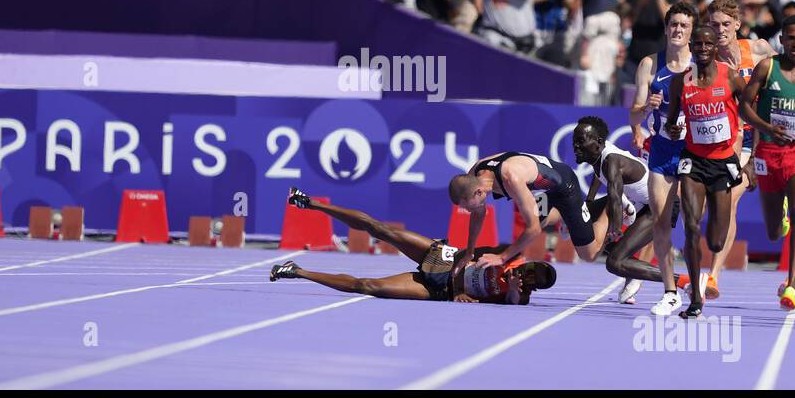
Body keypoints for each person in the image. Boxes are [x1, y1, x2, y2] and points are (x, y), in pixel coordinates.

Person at [271, 189, 555, 302]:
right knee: (379, 229)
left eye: (533, 281)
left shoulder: (520, 296)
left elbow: (513, 302)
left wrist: (515, 294)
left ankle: (296, 271)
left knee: (368, 286)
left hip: (436, 288)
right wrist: (461, 289)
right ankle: (311, 203)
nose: (527, 277)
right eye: (532, 270)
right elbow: (467, 256)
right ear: (530, 263)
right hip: (445, 260)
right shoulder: (508, 253)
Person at [657, 25, 750, 318]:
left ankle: (710, 250)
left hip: (722, 163)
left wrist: (754, 158)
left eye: (707, 43)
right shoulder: (680, 82)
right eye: (697, 44)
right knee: (692, 227)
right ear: (692, 48)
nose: (702, 48)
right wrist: (673, 129)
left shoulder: (730, 77)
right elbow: (672, 124)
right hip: (693, 161)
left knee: (716, 240)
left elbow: (750, 114)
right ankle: (695, 298)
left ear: (714, 47)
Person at [740, 16, 795, 311]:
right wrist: (767, 127)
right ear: (782, 40)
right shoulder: (767, 67)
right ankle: (780, 217)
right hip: (769, 154)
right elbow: (744, 107)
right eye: (790, 38)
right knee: (774, 232)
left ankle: (792, 285)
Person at [571, 116, 685, 305]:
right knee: (591, 220)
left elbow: (615, 197)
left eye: (581, 141)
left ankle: (682, 281)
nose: (576, 146)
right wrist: (589, 202)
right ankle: (632, 270)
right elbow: (599, 178)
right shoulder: (600, 159)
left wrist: (615, 230)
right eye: (574, 141)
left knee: (615, 262)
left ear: (598, 143)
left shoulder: (611, 160)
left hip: (662, 207)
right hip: (644, 205)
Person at [703, 0, 773, 297]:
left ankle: (713, 275)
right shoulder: (706, 62)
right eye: (714, 25)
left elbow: (784, 78)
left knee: (729, 200)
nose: (720, 31)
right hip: (728, 139)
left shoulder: (757, 49)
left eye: (725, 24)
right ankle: (713, 273)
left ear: (737, 25)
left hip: (760, 136)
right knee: (717, 206)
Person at [631, 3, 699, 314]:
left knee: (693, 222)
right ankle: (671, 291)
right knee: (661, 222)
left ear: (691, 31)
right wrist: (647, 108)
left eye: (684, 25)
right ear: (666, 28)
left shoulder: (700, 65)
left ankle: (696, 286)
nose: (678, 30)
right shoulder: (649, 64)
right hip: (661, 149)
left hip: (693, 150)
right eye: (674, 24)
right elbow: (633, 111)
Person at [448, 147, 594, 279]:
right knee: (538, 221)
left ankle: (603, 209)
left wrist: (501, 258)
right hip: (541, 190)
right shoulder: (474, 177)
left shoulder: (512, 179)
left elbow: (534, 230)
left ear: (479, 192)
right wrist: (469, 252)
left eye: (468, 207)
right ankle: (564, 217)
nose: (467, 211)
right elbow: (478, 213)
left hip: (564, 185)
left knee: (588, 254)